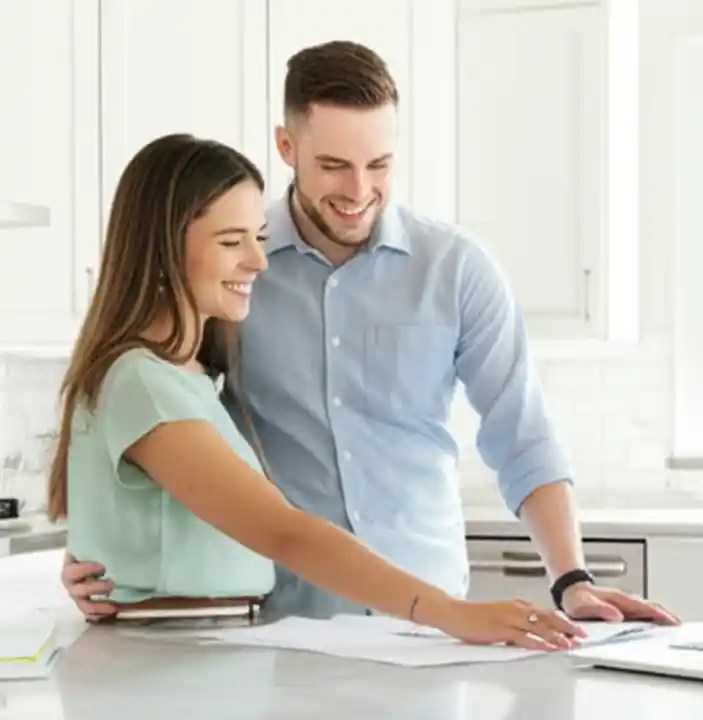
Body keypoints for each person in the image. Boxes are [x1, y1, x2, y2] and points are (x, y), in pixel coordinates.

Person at [61, 40, 678, 626]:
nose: (358, 191)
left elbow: (522, 432)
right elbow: (165, 412)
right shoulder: (234, 270)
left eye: (378, 164)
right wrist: (119, 549)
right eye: (333, 165)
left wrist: (571, 577)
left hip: (432, 617)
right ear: (286, 146)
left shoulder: (456, 269)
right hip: (284, 619)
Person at [47, 133, 590, 650]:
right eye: (233, 241)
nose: (261, 261)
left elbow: (523, 431)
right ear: (163, 249)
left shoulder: (187, 374)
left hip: (248, 644)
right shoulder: (146, 382)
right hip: (187, 659)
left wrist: (110, 545)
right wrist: (453, 614)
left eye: (258, 238)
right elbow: (286, 533)